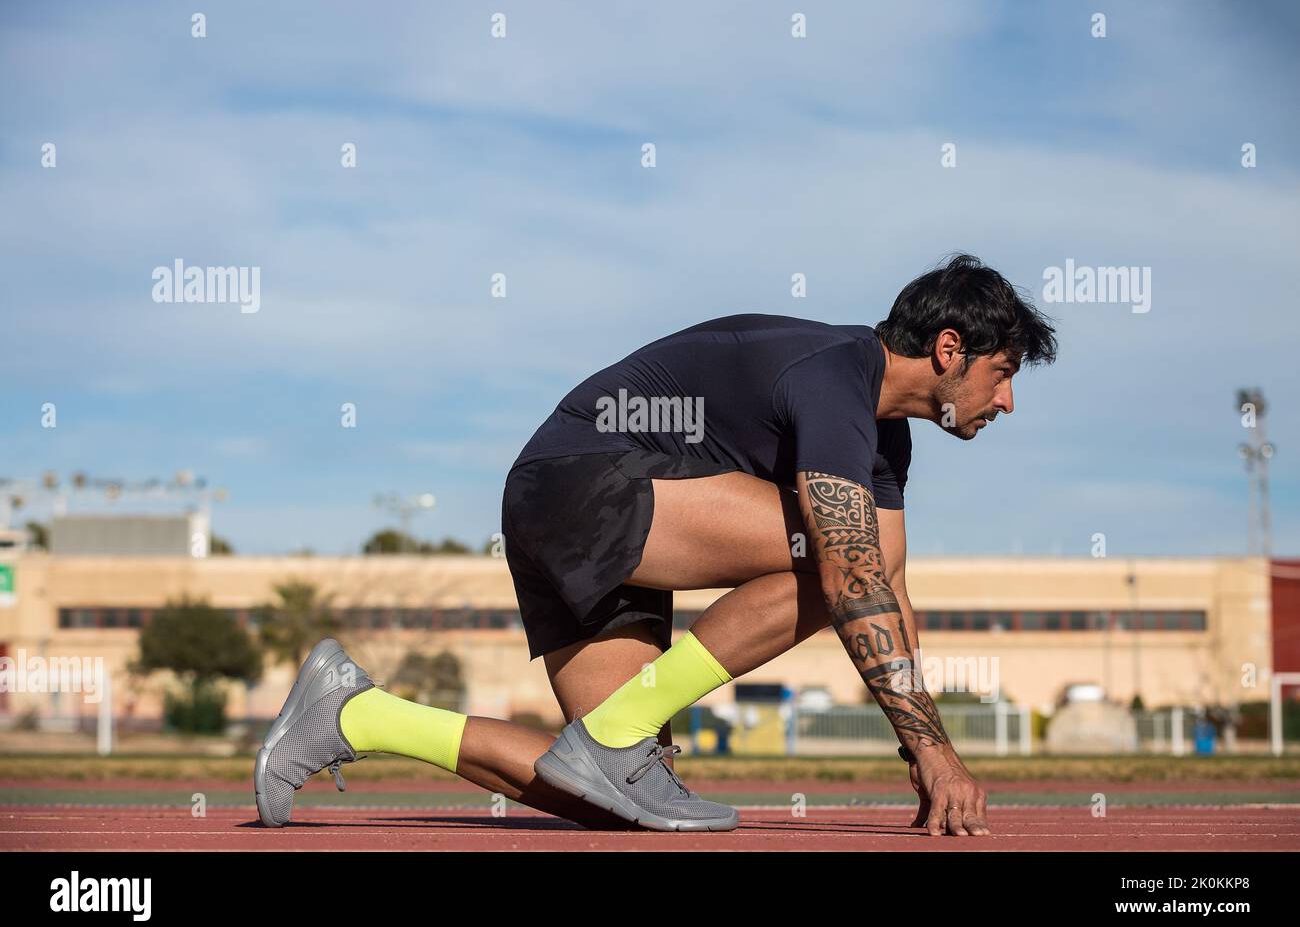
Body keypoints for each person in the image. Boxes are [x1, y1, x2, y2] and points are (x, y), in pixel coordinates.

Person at [255, 253, 1057, 835]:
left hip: (575, 510)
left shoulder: (885, 441)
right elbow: (855, 576)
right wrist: (937, 754)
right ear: (949, 350)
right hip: (582, 484)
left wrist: (923, 747)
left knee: (609, 794)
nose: (1009, 400)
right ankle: (616, 731)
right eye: (1004, 371)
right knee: (844, 565)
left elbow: (893, 594)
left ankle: (357, 714)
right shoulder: (834, 374)